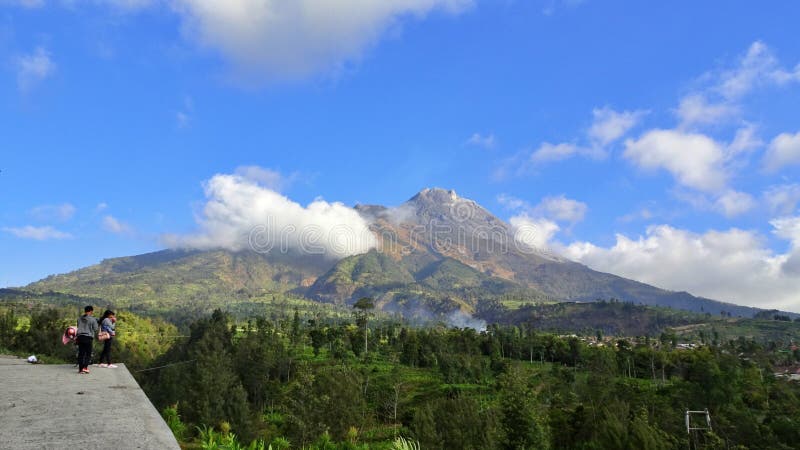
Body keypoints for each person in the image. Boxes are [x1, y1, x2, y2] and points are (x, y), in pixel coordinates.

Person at [76, 305, 98, 374]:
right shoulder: (92, 319)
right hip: (88, 337)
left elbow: (78, 326)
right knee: (88, 353)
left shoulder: (79, 318)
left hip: (80, 337)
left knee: (81, 353)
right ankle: (85, 367)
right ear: (91, 311)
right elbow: (95, 329)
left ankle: (80, 369)